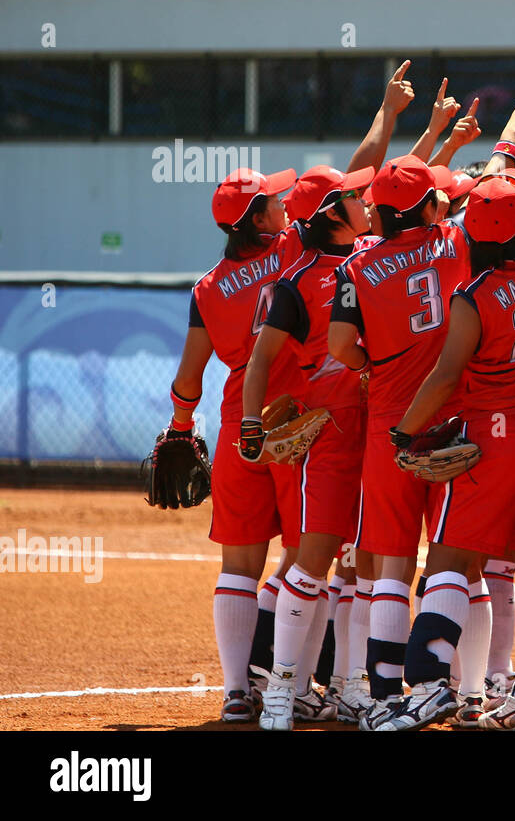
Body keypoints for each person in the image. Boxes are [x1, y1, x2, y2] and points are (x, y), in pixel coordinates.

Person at [378, 57, 515, 732]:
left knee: (450, 560)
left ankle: (431, 685)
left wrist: (405, 433)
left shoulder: (473, 294)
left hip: (491, 438)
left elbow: (441, 378)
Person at [327, 155, 472, 726]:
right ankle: (459, 682)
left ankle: (385, 693)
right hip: (456, 411)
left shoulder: (358, 264)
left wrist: (371, 366)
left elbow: (340, 343)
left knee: (389, 558)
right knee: (453, 553)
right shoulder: (453, 241)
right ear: (429, 206)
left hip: (391, 414)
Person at [239, 164, 376, 731]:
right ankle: (280, 688)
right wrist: (249, 423)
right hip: (335, 430)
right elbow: (261, 359)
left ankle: (349, 685)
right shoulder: (297, 284)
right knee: (313, 559)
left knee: (364, 563)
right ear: (332, 217)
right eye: (352, 195)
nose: (364, 197)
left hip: (383, 421)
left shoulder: (375, 257)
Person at [168, 167, 301, 723]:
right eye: (275, 199)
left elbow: (190, 374)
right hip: (300, 416)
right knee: (307, 554)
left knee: (238, 564)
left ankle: (235, 691)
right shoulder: (296, 248)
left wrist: (179, 428)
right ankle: (291, 674)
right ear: (258, 217)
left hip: (239, 426)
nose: (286, 204)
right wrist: (390, 117)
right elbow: (348, 188)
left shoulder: (206, 287)